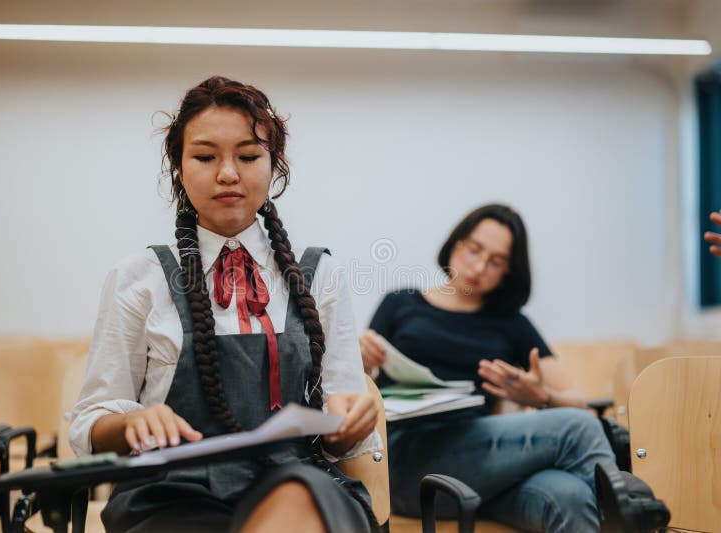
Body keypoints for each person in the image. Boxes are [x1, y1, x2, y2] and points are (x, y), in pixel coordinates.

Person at [69, 76, 381, 533]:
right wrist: (131, 422)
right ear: (179, 168)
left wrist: (352, 424)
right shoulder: (138, 278)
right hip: (174, 493)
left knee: (301, 499)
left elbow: (344, 431)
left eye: (248, 156)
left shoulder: (320, 274)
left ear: (274, 167)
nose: (228, 174)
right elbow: (91, 424)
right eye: (205, 156)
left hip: (298, 484)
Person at [360, 204, 616, 532]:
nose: (479, 266)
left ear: (508, 272)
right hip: (407, 463)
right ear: (456, 244)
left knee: (571, 497)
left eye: (496, 262)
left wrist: (541, 396)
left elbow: (579, 406)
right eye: (474, 250)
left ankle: (622, 511)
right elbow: (354, 392)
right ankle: (627, 516)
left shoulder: (512, 324)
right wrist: (362, 362)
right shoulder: (400, 303)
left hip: (483, 467)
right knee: (576, 429)